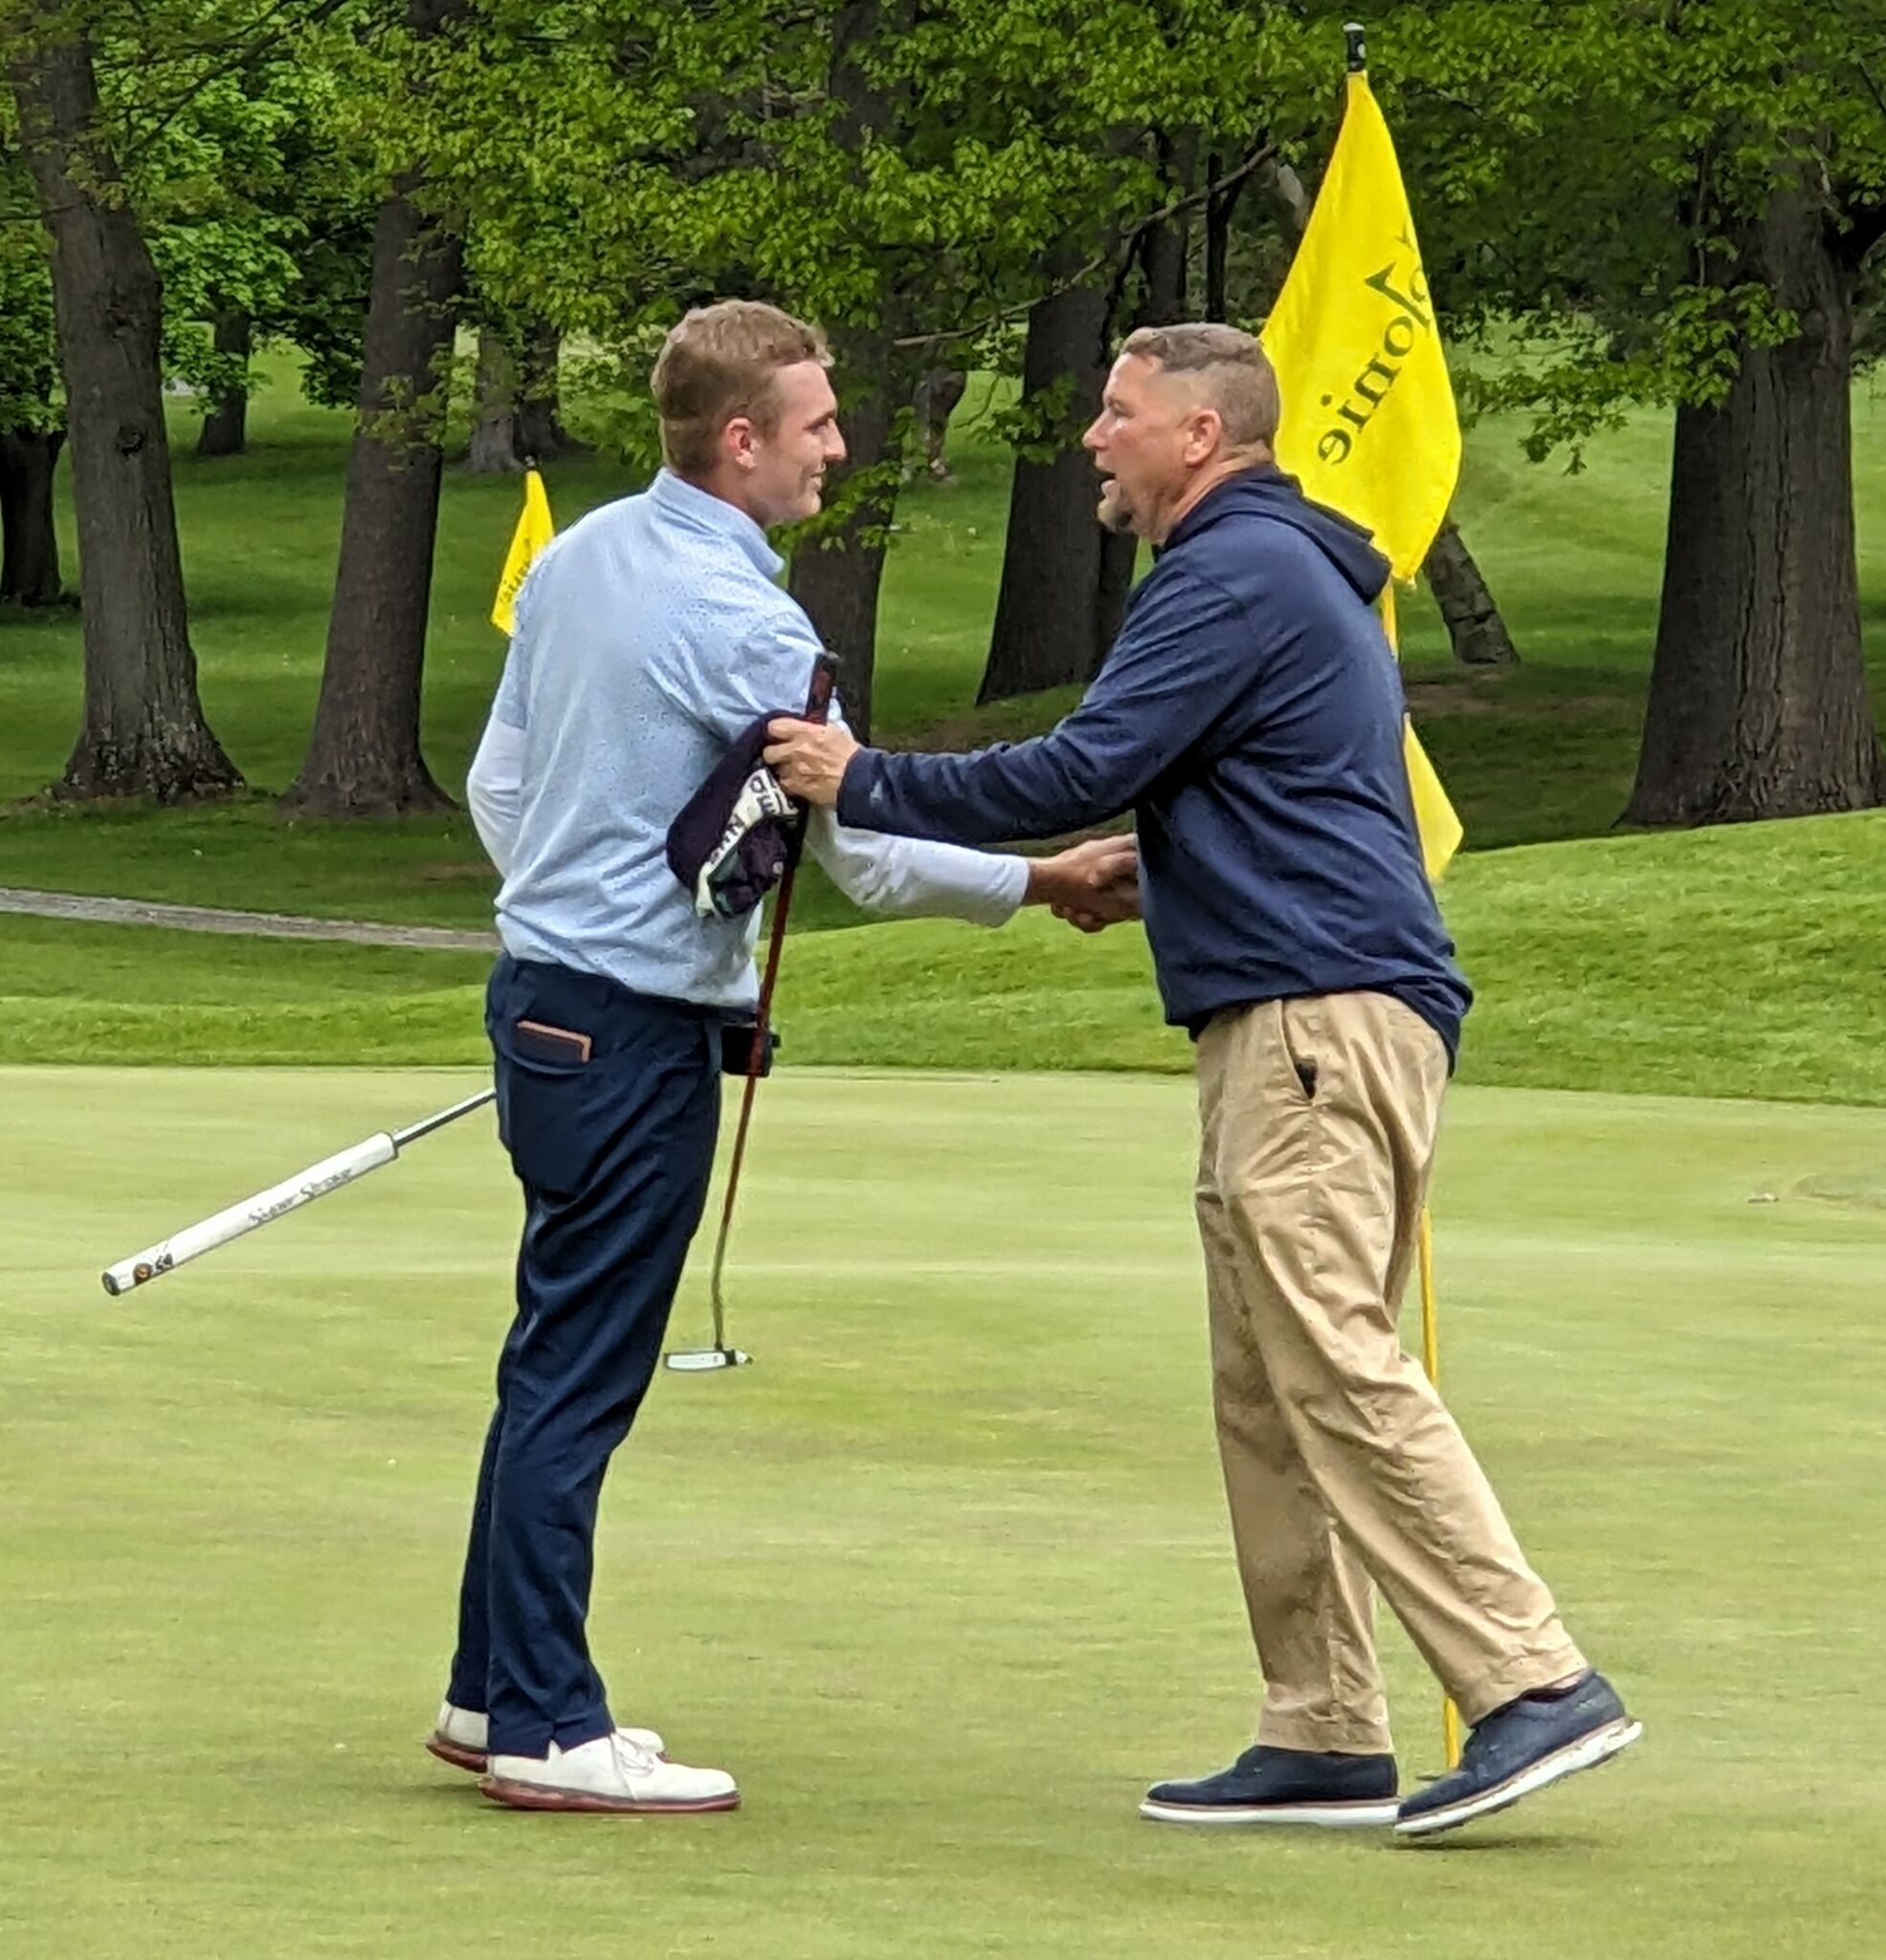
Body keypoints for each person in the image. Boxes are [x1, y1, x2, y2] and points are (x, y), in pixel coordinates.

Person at [765, 323, 1641, 1839]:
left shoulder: (1230, 572)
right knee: (1269, 1382)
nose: (1093, 439)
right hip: (1302, 1007)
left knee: (1332, 1357)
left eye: (1120, 414)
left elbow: (1076, 764)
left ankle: (1533, 1679)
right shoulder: (1265, 571)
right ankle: (1324, 1727)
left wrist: (868, 781)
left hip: (1313, 1017)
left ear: (1201, 436)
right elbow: (1251, 786)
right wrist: (1162, 869)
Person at [434, 300, 1137, 1817]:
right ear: (741, 440)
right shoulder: (751, 627)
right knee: (580, 1374)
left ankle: (491, 1691)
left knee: (548, 1356)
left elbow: (500, 786)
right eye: (819, 425)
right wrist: (1043, 880)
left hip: (540, 1000)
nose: (839, 449)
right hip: (634, 1030)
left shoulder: (576, 559)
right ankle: (546, 1725)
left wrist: (574, 905)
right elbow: (862, 858)